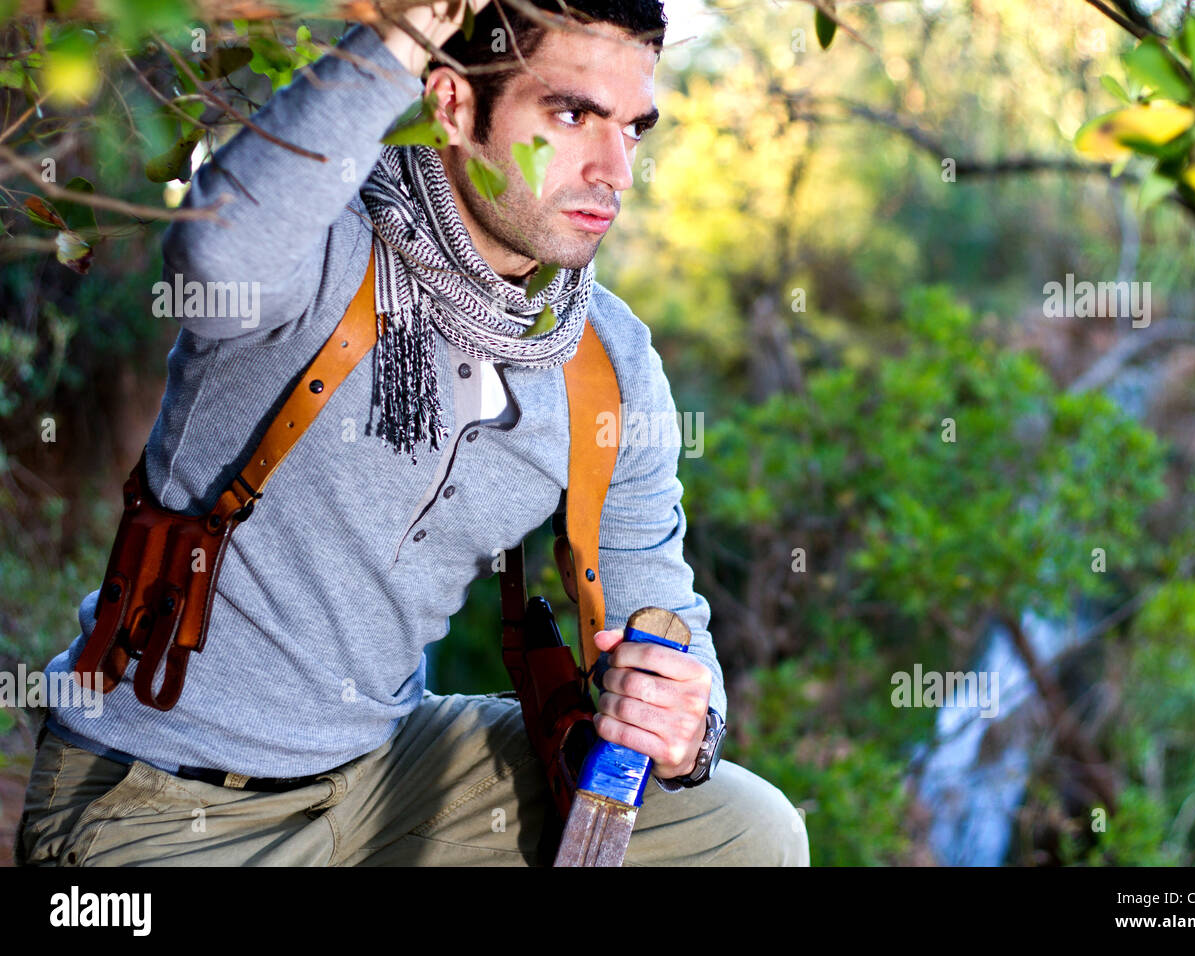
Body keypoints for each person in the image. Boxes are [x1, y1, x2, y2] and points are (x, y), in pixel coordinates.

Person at [16, 0, 809, 866]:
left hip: (386, 779)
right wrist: (398, 34)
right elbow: (216, 256)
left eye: (634, 128)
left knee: (750, 832)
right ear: (454, 106)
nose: (615, 168)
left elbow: (657, 596)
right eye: (573, 115)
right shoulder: (322, 251)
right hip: (158, 793)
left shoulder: (609, 361)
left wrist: (689, 720)